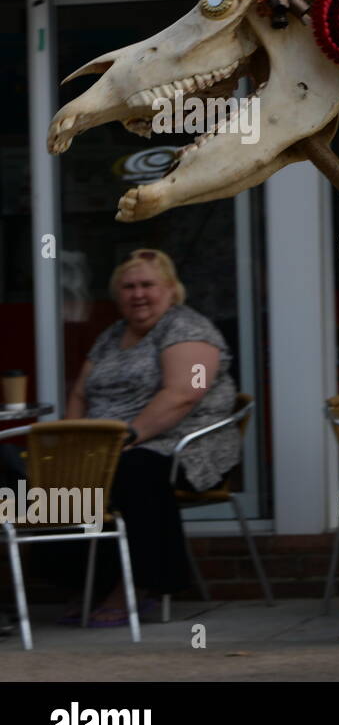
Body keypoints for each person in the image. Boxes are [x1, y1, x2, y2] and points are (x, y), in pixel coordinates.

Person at [63, 248, 238, 624]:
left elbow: (183, 393)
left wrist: (128, 435)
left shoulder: (187, 330)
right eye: (128, 287)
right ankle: (89, 583)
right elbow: (80, 392)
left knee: (134, 470)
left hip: (185, 445)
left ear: (172, 291)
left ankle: (142, 586)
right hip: (108, 446)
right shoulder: (111, 336)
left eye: (147, 285)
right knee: (61, 481)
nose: (137, 294)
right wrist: (70, 445)